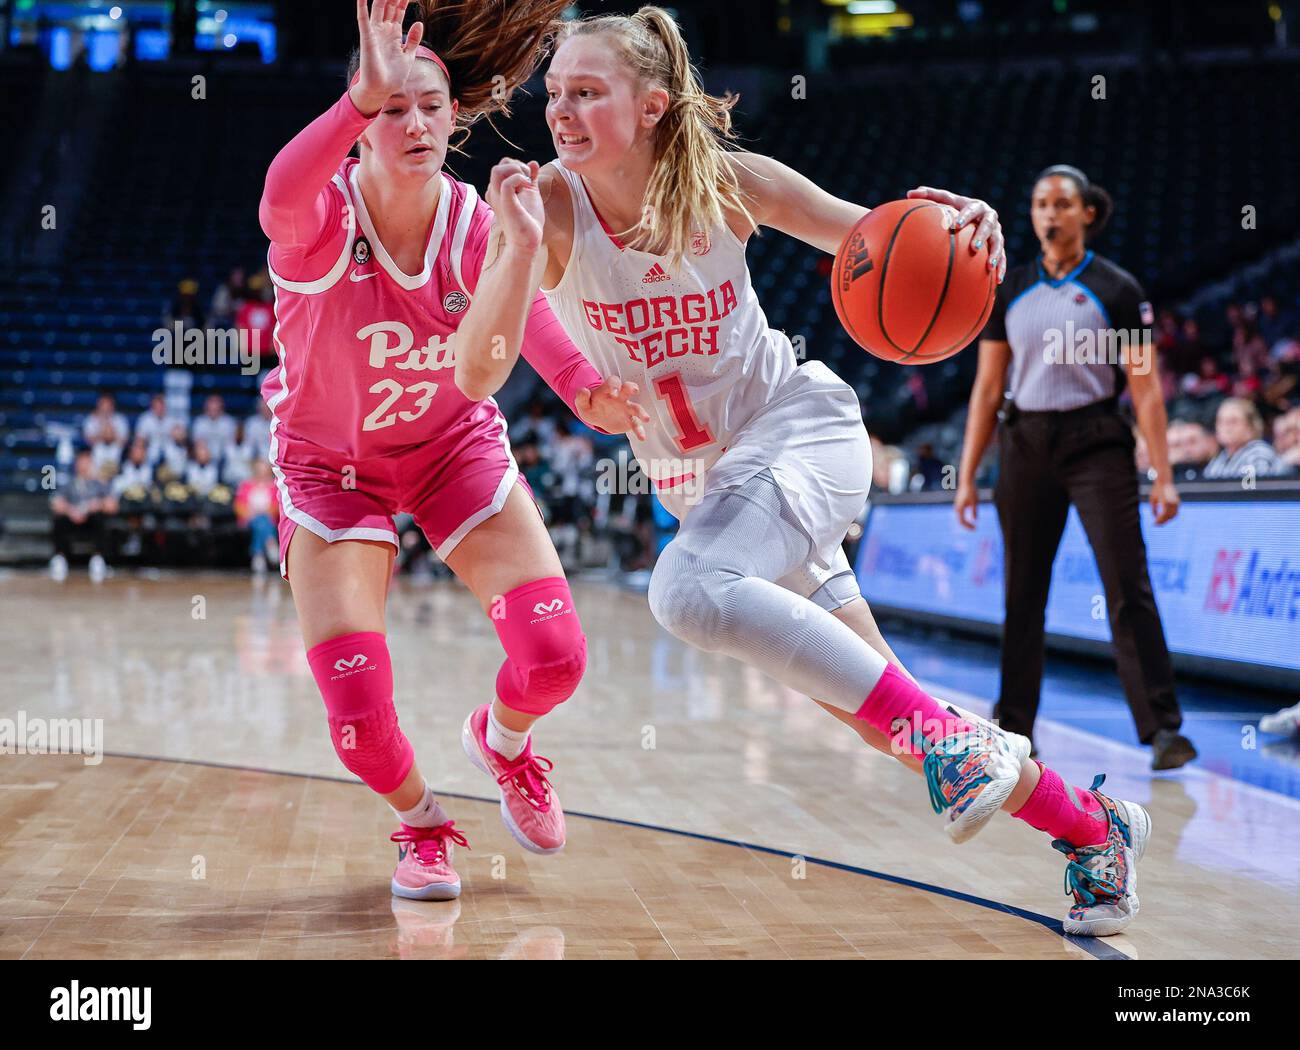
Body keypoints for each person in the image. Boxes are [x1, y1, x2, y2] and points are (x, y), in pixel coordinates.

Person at [453, 6, 1149, 937]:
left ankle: (958, 745)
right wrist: (520, 253)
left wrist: (966, 225)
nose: (561, 112)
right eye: (556, 94)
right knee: (886, 715)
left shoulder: (731, 184)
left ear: (653, 104)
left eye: (588, 92)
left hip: (797, 433)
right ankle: (1095, 829)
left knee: (686, 593)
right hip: (713, 493)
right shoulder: (551, 211)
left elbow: (885, 240)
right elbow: (481, 366)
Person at [258, 0, 647, 902]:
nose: (417, 123)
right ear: (360, 128)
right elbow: (279, 191)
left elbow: (530, 318)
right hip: (330, 471)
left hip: (448, 451)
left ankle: (504, 743)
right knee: (357, 724)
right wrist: (362, 95)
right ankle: (424, 822)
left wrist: (585, 386)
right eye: (394, 110)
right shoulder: (322, 221)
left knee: (555, 657)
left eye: (430, 106)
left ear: (453, 117)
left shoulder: (473, 222)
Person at [955, 163, 1196, 773]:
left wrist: (1163, 473)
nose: (1049, 214)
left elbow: (1144, 390)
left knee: (1126, 583)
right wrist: (966, 474)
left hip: (1097, 442)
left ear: (1087, 213)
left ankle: (1164, 728)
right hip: (1025, 443)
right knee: (1022, 591)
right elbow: (987, 389)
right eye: (1039, 204)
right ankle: (1013, 727)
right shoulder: (1009, 287)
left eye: (1062, 204)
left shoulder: (1118, 291)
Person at [49, 450, 117, 583]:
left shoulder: (100, 485)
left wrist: (97, 505)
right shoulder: (68, 484)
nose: (84, 466)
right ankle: (60, 558)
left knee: (99, 518)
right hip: (72, 519)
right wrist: (71, 511)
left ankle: (97, 559)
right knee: (59, 519)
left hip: (91, 520)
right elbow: (56, 504)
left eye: (87, 462)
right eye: (81, 462)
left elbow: (112, 506)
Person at [1202, 397, 1287, 479]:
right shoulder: (1220, 459)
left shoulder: (1258, 454)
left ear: (1251, 427)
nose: (1226, 428)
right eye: (1221, 421)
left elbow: (1253, 491)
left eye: (1233, 421)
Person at [235, 458, 280, 574]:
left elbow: (277, 506)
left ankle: (258, 555)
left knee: (262, 520)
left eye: (264, 469)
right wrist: (249, 513)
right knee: (260, 520)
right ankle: (270, 542)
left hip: (268, 518)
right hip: (249, 518)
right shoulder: (246, 485)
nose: (262, 472)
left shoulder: (275, 485)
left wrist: (264, 512)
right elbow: (238, 505)